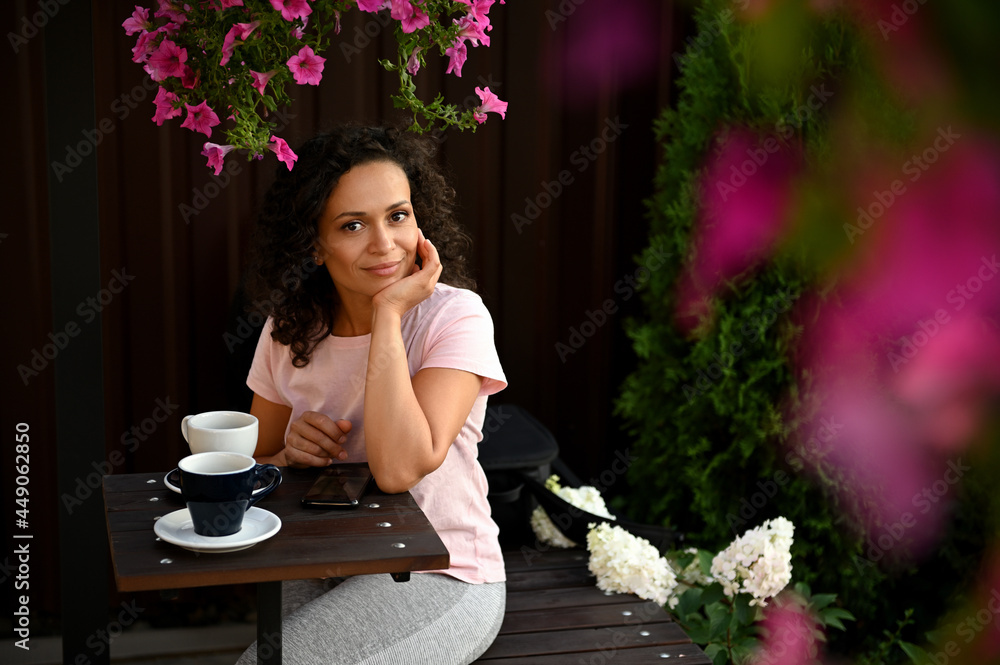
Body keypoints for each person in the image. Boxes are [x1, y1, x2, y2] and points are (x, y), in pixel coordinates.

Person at [236, 124, 508, 665]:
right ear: (315, 244)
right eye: (353, 225)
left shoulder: (455, 317)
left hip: (443, 573)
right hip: (317, 558)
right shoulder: (289, 329)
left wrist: (388, 314)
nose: (385, 244)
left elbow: (400, 468)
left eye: (398, 216)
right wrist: (287, 455)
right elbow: (249, 468)